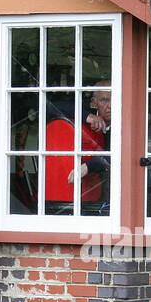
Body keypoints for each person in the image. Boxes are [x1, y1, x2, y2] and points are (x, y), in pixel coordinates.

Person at [44, 83, 111, 213]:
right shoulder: (89, 114)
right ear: (94, 102)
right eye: (104, 100)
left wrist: (87, 166)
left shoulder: (126, 122)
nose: (111, 106)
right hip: (85, 192)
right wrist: (87, 116)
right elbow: (50, 107)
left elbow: (119, 153)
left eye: (115, 99)